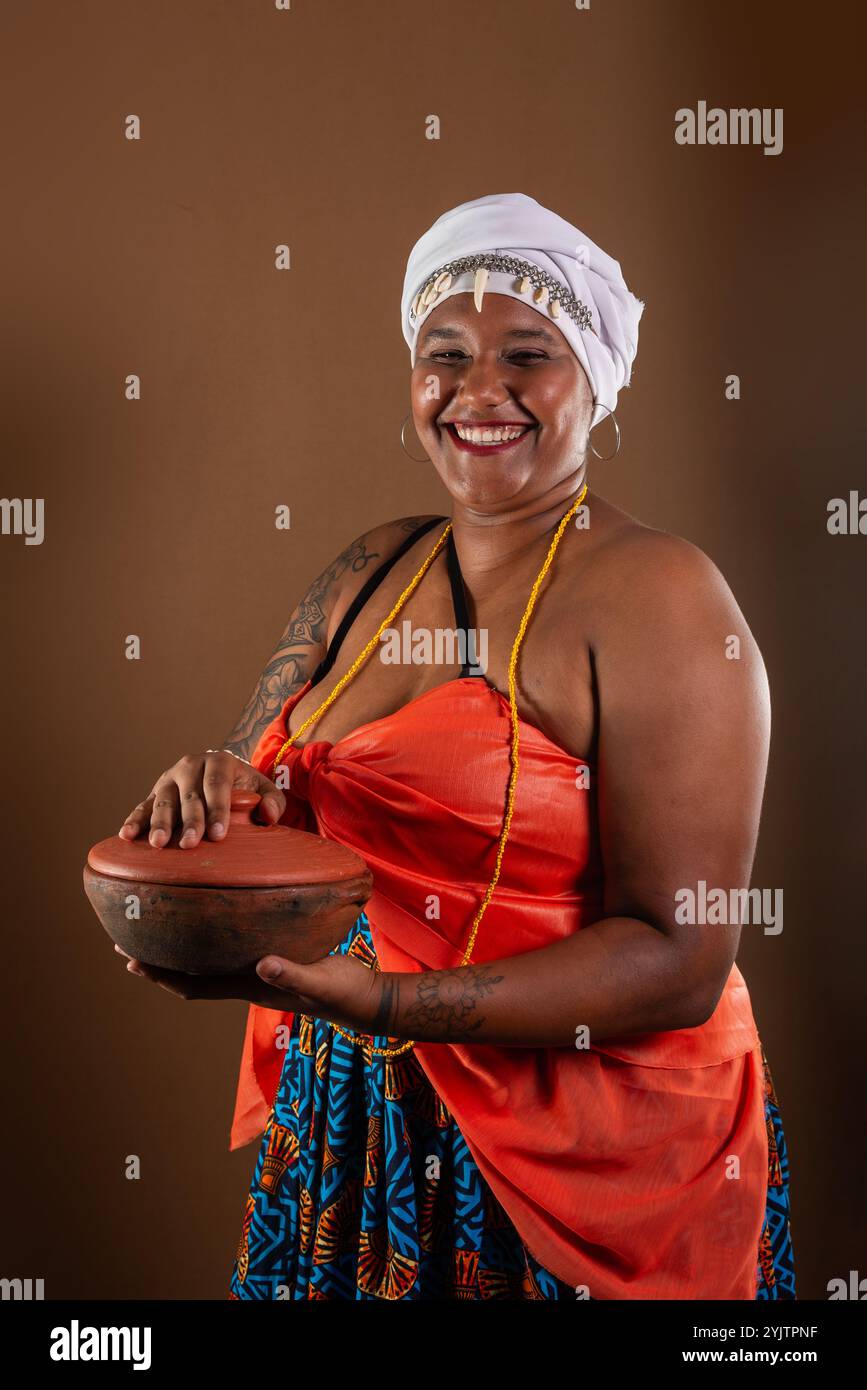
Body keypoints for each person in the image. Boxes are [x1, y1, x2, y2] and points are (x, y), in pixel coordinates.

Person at [116, 193, 795, 1301]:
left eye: (528, 353)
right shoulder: (372, 569)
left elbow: (683, 958)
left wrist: (387, 1006)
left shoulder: (665, 602)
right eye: (447, 354)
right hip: (363, 1111)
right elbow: (259, 793)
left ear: (594, 382)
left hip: (580, 1159)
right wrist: (205, 811)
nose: (481, 390)